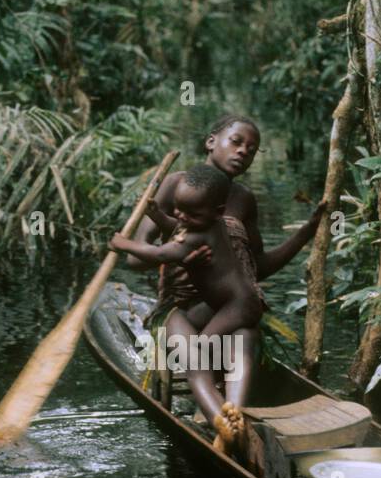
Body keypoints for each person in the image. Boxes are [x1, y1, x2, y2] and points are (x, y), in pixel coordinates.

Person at [122, 115, 326, 433]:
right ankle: (222, 423)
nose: (244, 151)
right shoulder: (176, 184)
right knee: (191, 350)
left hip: (225, 306)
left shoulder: (244, 199)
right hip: (180, 307)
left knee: (246, 334)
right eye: (236, 142)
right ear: (211, 141)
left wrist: (304, 235)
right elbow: (134, 261)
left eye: (252, 148)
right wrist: (185, 256)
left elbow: (257, 267)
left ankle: (234, 415)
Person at [109, 163, 260, 450]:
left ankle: (226, 420)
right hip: (207, 305)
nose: (181, 217)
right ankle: (228, 421)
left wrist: (123, 244)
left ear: (217, 211)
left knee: (212, 348)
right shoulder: (200, 220)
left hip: (227, 307)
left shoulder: (199, 231)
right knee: (200, 352)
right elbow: (173, 231)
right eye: (177, 209)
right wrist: (158, 216)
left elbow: (159, 252)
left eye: (189, 213)